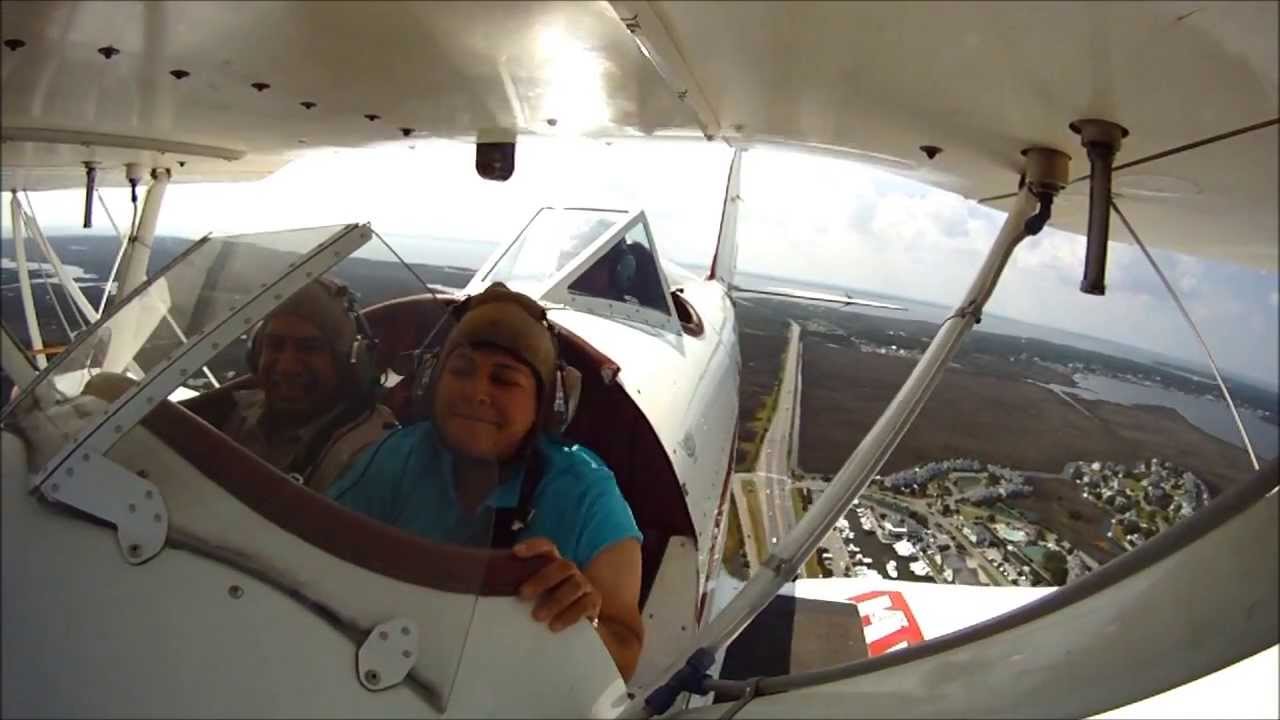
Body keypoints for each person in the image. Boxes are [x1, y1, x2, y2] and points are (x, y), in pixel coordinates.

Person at [325, 282, 645, 680]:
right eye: (461, 371)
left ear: (544, 403)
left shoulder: (586, 491)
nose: (477, 393)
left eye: (504, 380)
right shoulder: (398, 456)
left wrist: (584, 619)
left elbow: (626, 653)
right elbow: (321, 551)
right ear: (433, 381)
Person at [221, 276, 398, 493]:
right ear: (256, 353)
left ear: (348, 362)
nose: (286, 367)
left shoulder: (370, 455)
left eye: (309, 348)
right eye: (275, 345)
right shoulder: (243, 412)